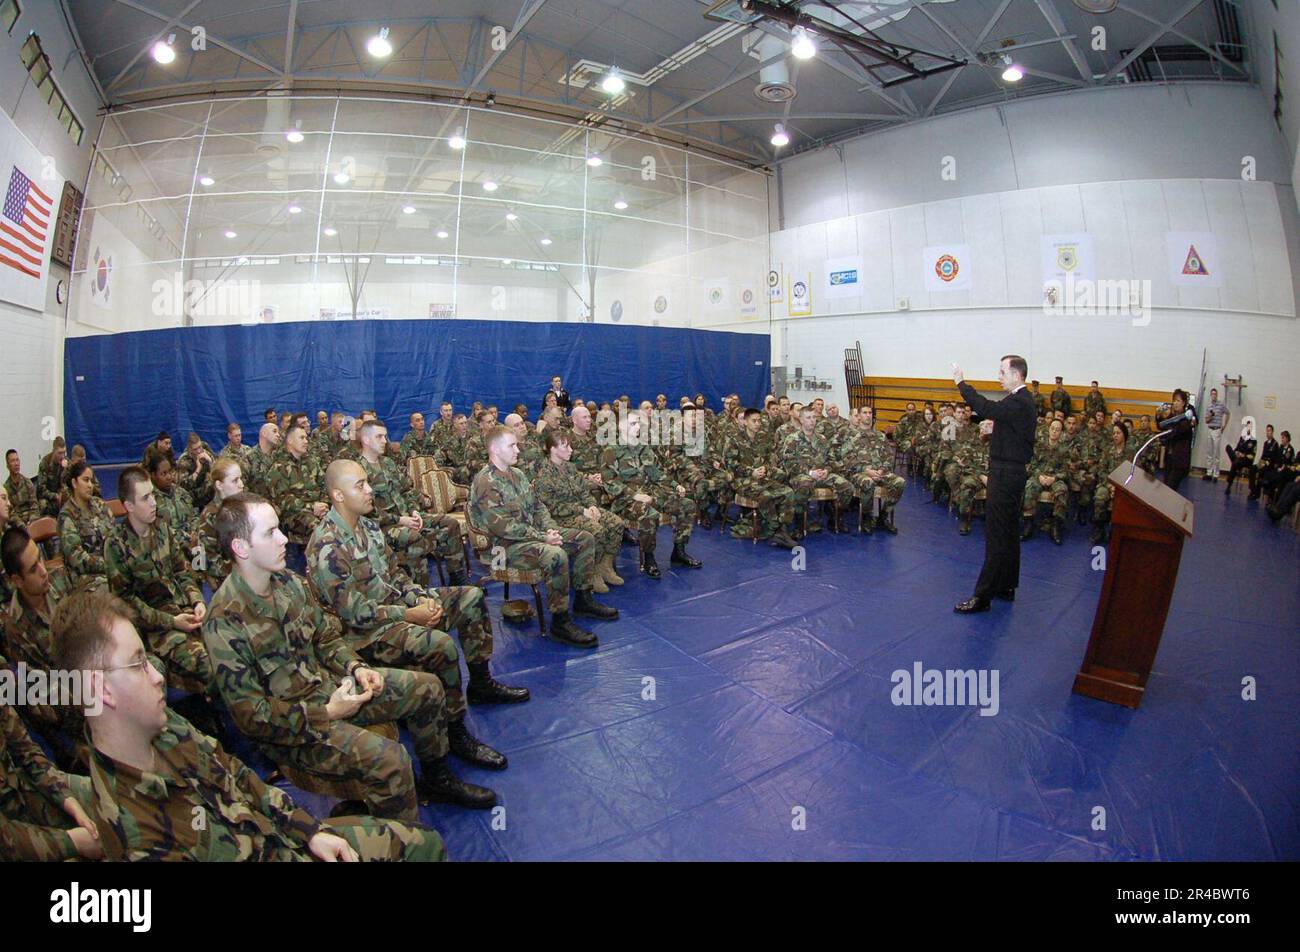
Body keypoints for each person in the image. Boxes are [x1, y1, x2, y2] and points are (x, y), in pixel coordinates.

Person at [54, 589, 446, 861]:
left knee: (423, 844)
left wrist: (309, 831)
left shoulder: (162, 725)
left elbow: (236, 775)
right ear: (99, 689)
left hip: (279, 839)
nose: (157, 676)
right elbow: (254, 716)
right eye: (138, 663)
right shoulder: (136, 837)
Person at [207, 492, 497, 815]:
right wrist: (328, 712)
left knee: (428, 688)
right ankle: (399, 842)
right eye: (270, 532)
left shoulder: (289, 584)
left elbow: (326, 639)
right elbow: (252, 716)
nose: (284, 539)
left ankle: (437, 778)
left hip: (334, 689)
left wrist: (356, 667)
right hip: (297, 731)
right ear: (240, 547)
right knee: (393, 759)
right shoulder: (225, 621)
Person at [470, 425, 615, 648]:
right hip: (503, 548)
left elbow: (538, 507)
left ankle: (583, 599)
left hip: (531, 536)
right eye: (512, 445)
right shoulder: (485, 482)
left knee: (585, 538)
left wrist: (549, 529)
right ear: (495, 450)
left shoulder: (517, 474)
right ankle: (560, 620)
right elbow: (504, 528)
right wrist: (542, 537)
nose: (518, 450)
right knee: (555, 555)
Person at [104, 466, 213, 695]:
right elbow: (128, 604)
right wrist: (172, 622)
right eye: (146, 498)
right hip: (156, 629)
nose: (154, 502)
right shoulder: (117, 545)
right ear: (129, 506)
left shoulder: (162, 527)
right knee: (209, 665)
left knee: (227, 644)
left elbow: (182, 571)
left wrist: (197, 601)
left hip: (184, 611)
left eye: (152, 494)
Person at [951, 356, 1037, 614]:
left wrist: (961, 384)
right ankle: (1006, 585)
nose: (999, 376)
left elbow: (986, 407)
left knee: (996, 535)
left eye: (1002, 372)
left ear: (1016, 375)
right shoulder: (1021, 400)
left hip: (1006, 474)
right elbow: (1010, 430)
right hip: (1011, 471)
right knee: (1008, 533)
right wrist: (995, 433)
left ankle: (983, 596)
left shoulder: (1019, 401)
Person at [532, 429, 627, 591]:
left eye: (570, 446)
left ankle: (605, 565)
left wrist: (591, 506)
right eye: (566, 447)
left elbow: (584, 491)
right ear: (552, 449)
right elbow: (552, 507)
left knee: (617, 523)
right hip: (562, 517)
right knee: (597, 531)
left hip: (583, 510)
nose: (571, 450)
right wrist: (582, 511)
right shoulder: (544, 475)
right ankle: (592, 573)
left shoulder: (569, 468)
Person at [57, 459, 115, 590]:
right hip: (85, 577)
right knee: (113, 589)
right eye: (85, 480)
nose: (90, 485)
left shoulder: (100, 505)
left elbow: (115, 536)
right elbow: (77, 559)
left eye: (91, 481)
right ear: (74, 483)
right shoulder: (67, 516)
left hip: (110, 567)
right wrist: (108, 564)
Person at [195, 457, 245, 591]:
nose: (241, 484)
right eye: (235, 480)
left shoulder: (239, 507)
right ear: (219, 485)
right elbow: (205, 559)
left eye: (240, 478)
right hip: (224, 582)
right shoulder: (210, 516)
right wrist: (238, 570)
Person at [1156, 389, 1196, 493]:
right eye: (1174, 400)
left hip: (1179, 462)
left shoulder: (1186, 419)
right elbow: (1162, 427)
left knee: (1170, 489)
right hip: (1169, 459)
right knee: (1166, 489)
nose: (1175, 403)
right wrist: (1159, 416)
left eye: (1178, 401)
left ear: (1183, 403)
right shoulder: (1173, 417)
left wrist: (1171, 421)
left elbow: (1176, 431)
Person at [1201, 388, 1230, 482]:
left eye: (1215, 394)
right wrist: (1211, 416)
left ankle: (1216, 473)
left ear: (1217, 395)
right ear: (1210, 395)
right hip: (1210, 429)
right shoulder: (1209, 406)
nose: (1213, 396)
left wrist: (1224, 426)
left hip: (1217, 429)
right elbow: (1206, 420)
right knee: (1209, 452)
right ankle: (1209, 472)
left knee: (1216, 453)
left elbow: (1228, 413)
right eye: (1212, 394)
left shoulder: (1220, 405)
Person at [1223, 420, 1257, 496]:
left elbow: (1252, 456)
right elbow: (1237, 448)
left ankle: (1229, 485)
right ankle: (1235, 460)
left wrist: (1243, 455)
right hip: (1238, 458)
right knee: (1228, 447)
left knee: (1235, 464)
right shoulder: (1242, 438)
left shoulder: (1253, 441)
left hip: (1246, 460)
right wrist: (1236, 452)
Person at [1250, 424, 1281, 500]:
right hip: (1263, 463)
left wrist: (1265, 463)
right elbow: (1263, 455)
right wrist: (1260, 462)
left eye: (1269, 431)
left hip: (1269, 465)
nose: (1268, 432)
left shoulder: (1275, 444)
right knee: (1252, 469)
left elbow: (1274, 458)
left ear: (1272, 432)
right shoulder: (1265, 443)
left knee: (1261, 472)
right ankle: (1253, 490)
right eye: (1267, 431)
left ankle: (1257, 493)